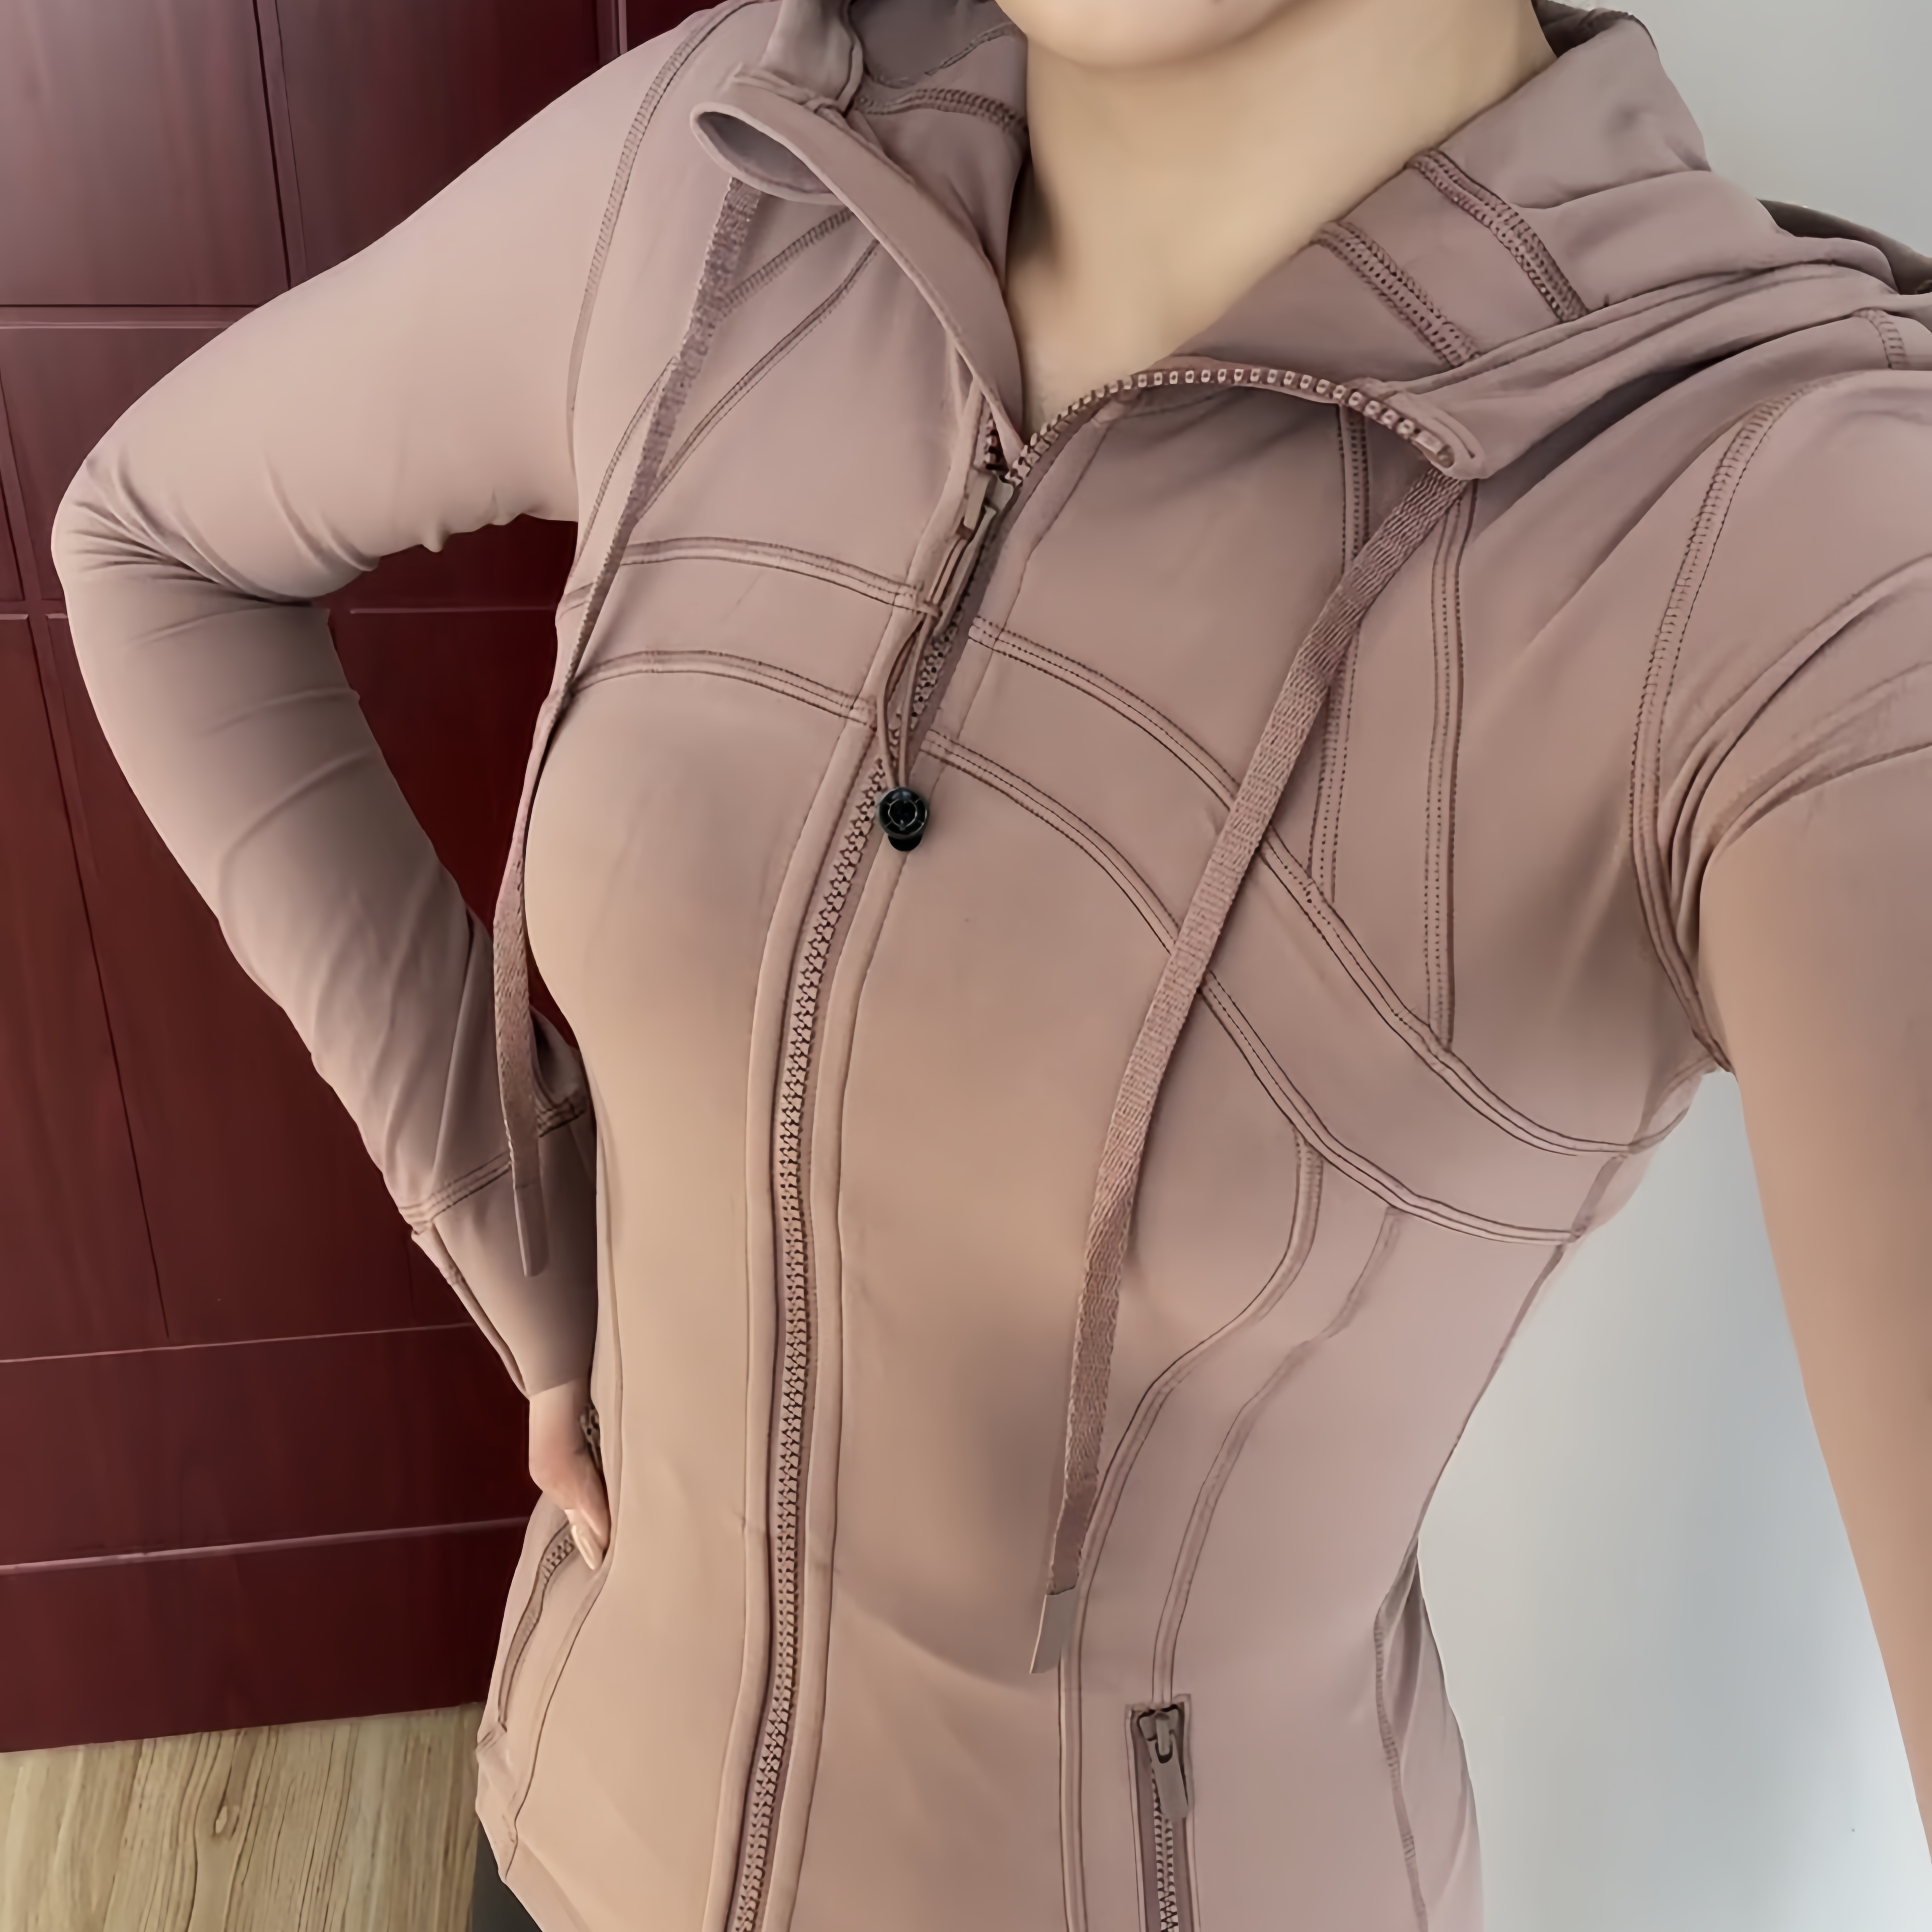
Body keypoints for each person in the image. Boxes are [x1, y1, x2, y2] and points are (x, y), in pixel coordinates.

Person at [51, 0, 1932, 1926]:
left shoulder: (1792, 525)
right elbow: (151, 544)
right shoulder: (737, 159)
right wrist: (513, 1217)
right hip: (566, 1842)